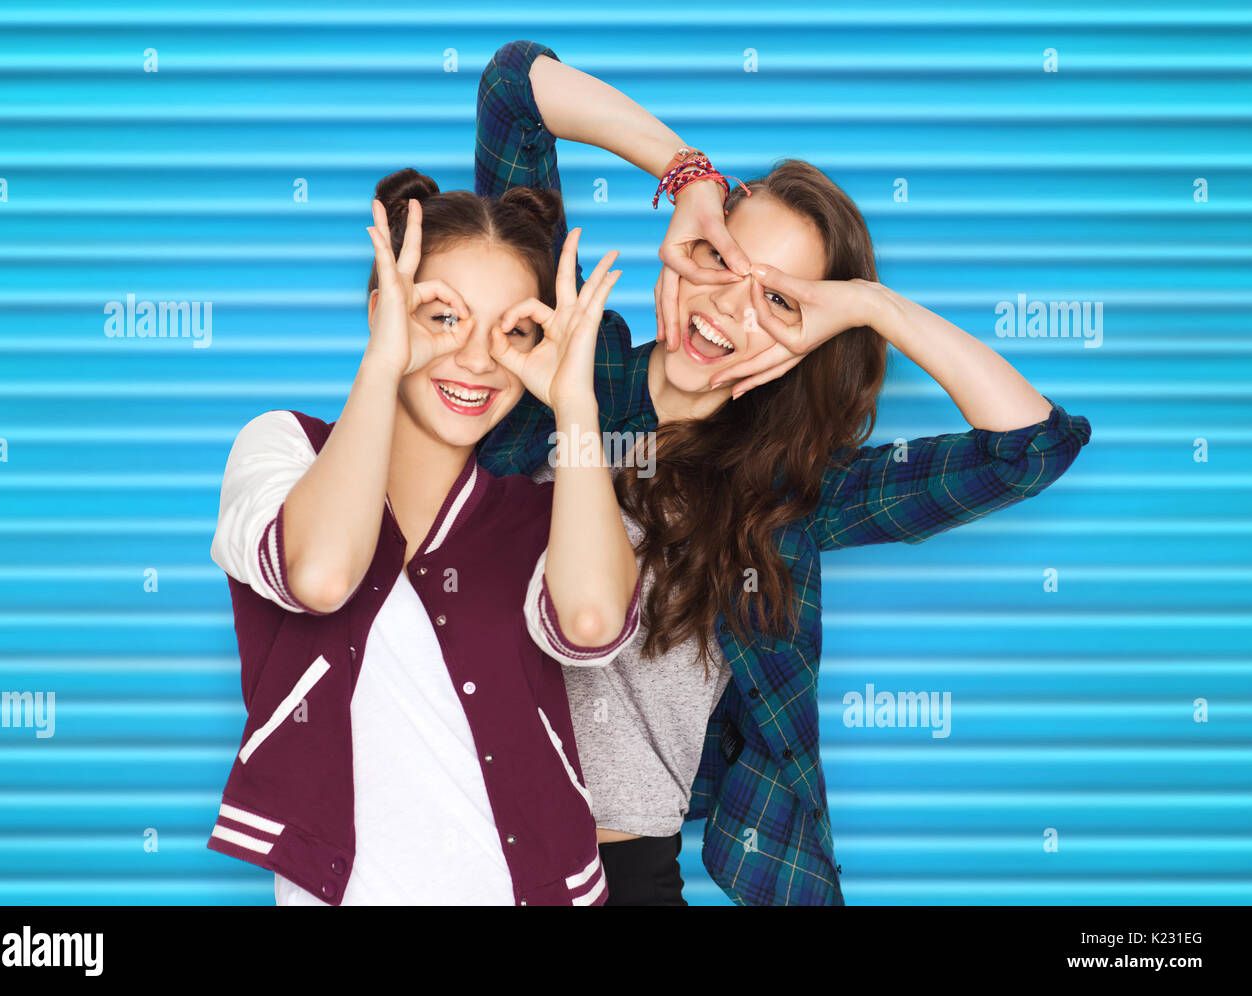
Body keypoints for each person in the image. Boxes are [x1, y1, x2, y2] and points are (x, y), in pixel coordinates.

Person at [474, 40, 1093, 905]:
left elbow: (1032, 449)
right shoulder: (567, 357)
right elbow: (514, 90)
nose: (731, 306)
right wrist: (688, 175)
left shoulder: (789, 493)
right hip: (442, 841)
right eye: (725, 260)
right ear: (685, 247)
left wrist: (871, 309)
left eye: (781, 300)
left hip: (620, 874)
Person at [205, 167, 642, 905]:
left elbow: (594, 624)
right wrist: (383, 360)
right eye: (444, 316)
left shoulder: (541, 512)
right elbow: (320, 574)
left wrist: (575, 403)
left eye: (514, 331)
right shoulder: (283, 448)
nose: (475, 358)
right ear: (385, 309)